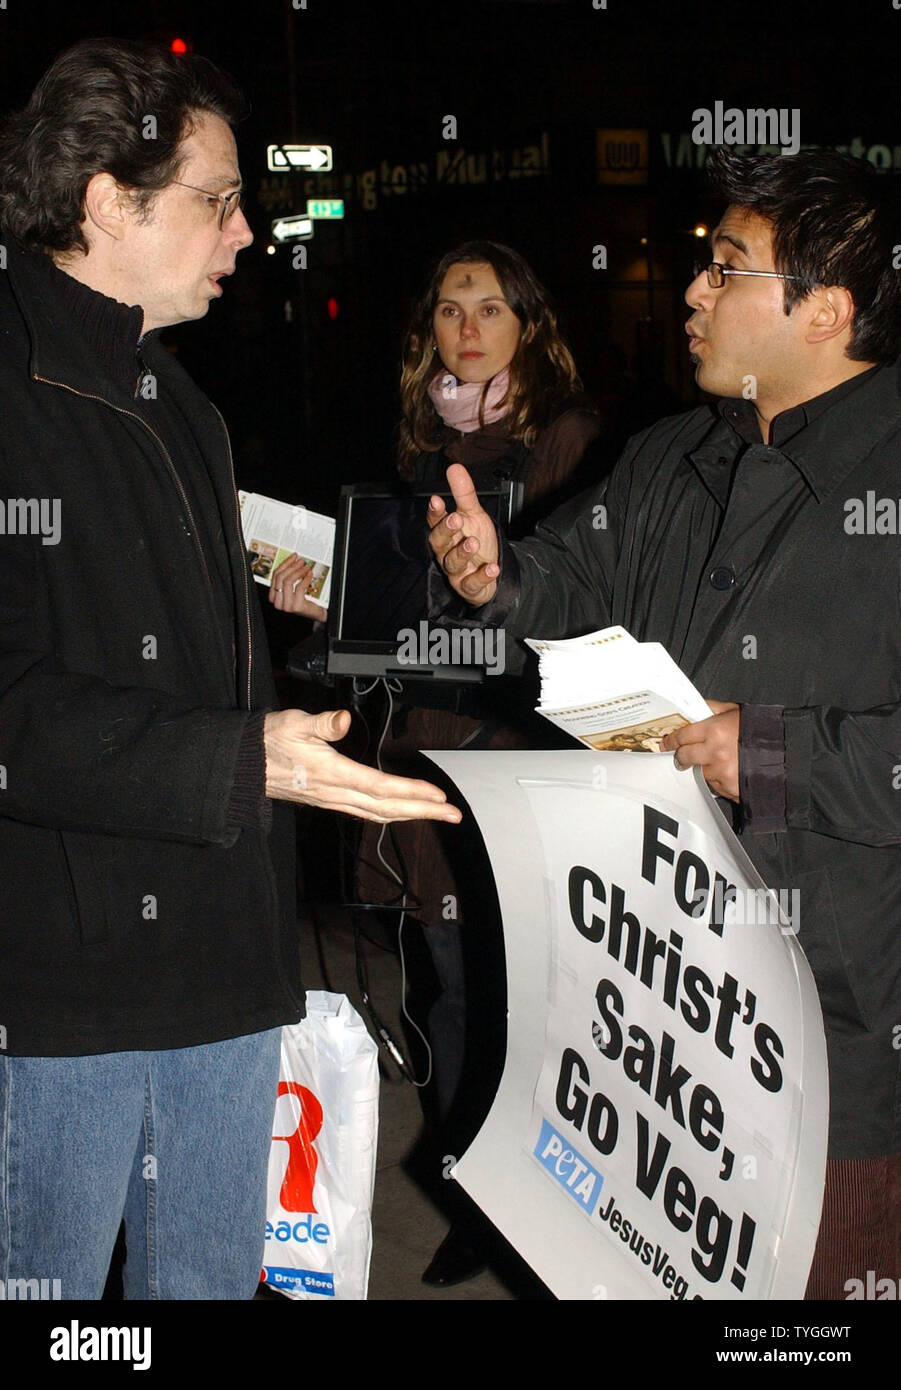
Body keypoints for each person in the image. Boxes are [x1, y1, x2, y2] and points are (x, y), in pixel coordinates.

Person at [0, 38, 460, 1302]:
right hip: (68, 994)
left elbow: (173, 669)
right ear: (107, 199)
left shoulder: (180, 400)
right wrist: (237, 754)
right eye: (219, 198)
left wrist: (273, 663)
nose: (248, 232)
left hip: (228, 959)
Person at [427, 148, 901, 1300]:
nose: (691, 292)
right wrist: (501, 582)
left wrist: (772, 752)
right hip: (646, 1004)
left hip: (833, 1037)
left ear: (825, 309)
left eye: (725, 270)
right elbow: (570, 585)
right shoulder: (670, 454)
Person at [275, 241, 604, 1285]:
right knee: (451, 988)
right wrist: (324, 602)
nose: (468, 323)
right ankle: (472, 1198)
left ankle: (549, 1199)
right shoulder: (415, 454)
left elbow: (561, 628)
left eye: (492, 305)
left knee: (532, 993)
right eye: (450, 305)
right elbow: (388, 623)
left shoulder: (572, 443)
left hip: (520, 762)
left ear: (530, 328)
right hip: (427, 761)